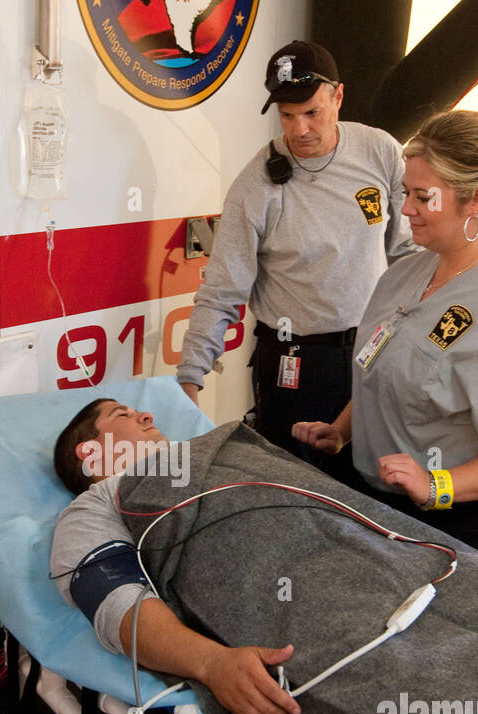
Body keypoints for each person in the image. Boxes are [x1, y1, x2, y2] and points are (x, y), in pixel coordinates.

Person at [293, 109, 478, 566]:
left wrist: (436, 485)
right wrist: (341, 432)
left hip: (456, 525)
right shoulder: (408, 272)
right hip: (375, 501)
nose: (406, 209)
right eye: (406, 193)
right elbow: (387, 370)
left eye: (424, 197)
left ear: (476, 199)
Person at [177, 41, 414, 476]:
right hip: (295, 362)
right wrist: (189, 381)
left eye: (311, 112)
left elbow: (407, 253)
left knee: (373, 484)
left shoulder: (380, 152)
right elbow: (223, 289)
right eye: (286, 115)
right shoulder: (256, 185)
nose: (299, 129)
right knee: (294, 485)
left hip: (373, 351)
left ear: (338, 97)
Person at [50, 398, 301, 714]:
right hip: (292, 608)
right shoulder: (93, 508)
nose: (147, 415)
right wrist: (212, 663)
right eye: (122, 414)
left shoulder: (212, 457)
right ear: (89, 451)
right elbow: (118, 603)